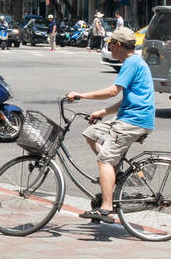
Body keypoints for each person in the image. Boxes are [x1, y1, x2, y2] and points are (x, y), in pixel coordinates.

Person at [66, 26, 155, 221]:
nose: (110, 49)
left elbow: (113, 91)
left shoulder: (131, 63)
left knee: (104, 160)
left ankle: (106, 207)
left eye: (111, 45)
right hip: (129, 116)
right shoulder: (136, 62)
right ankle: (114, 172)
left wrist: (81, 95)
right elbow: (127, 99)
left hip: (133, 121)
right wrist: (103, 112)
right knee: (90, 134)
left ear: (119, 45)